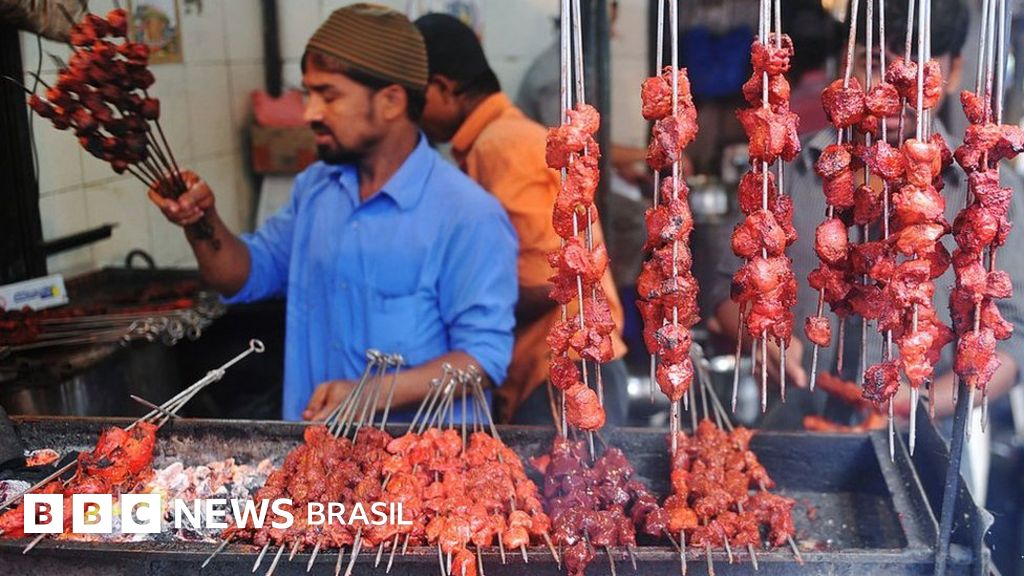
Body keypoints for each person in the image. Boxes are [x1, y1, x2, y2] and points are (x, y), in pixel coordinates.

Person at [148, 4, 518, 422]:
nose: (310, 113)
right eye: (309, 93)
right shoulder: (316, 189)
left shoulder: (467, 215)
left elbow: (482, 361)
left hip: (418, 459)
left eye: (329, 95)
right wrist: (201, 220)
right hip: (314, 450)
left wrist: (370, 394)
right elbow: (243, 275)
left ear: (391, 101)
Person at [707, 0, 1024, 427]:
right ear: (845, 66)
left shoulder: (989, 193)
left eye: (917, 72)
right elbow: (724, 286)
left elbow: (1015, 338)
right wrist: (758, 335)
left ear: (951, 74)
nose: (889, 92)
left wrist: (922, 402)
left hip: (923, 437)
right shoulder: (782, 171)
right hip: (792, 428)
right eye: (873, 62)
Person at [414, 13, 631, 426]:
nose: (412, 115)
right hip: (559, 371)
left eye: (415, 98)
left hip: (566, 375)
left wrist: (443, 304)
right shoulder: (498, 140)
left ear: (443, 87)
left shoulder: (502, 147)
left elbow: (546, 283)